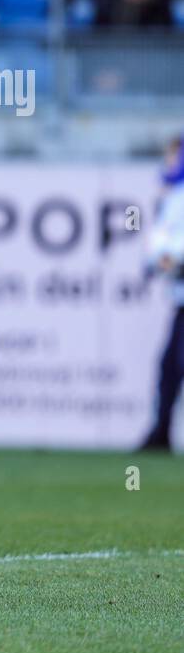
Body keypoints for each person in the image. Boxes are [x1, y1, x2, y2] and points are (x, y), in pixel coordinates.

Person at [143, 136, 184, 451]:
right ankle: (161, 433)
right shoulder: (172, 199)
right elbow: (156, 249)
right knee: (169, 366)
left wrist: (172, 258)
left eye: (174, 157)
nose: (169, 164)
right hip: (179, 300)